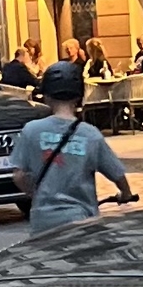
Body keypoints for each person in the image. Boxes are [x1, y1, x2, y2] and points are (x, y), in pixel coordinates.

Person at [12, 59, 133, 229]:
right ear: (79, 96)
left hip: (43, 218)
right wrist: (125, 193)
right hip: (81, 218)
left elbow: (18, 175)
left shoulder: (31, 131)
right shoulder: (90, 135)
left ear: (46, 95)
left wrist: (36, 194)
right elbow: (117, 174)